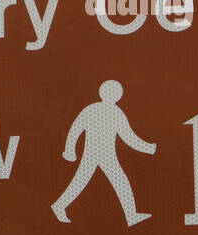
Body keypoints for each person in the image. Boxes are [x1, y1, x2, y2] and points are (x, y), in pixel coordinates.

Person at [51, 80, 156, 226]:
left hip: (103, 154)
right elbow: (76, 128)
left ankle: (131, 215)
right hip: (98, 154)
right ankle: (59, 206)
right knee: (94, 181)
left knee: (112, 181)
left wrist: (147, 148)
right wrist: (149, 148)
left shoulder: (102, 110)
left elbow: (127, 136)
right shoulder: (106, 111)